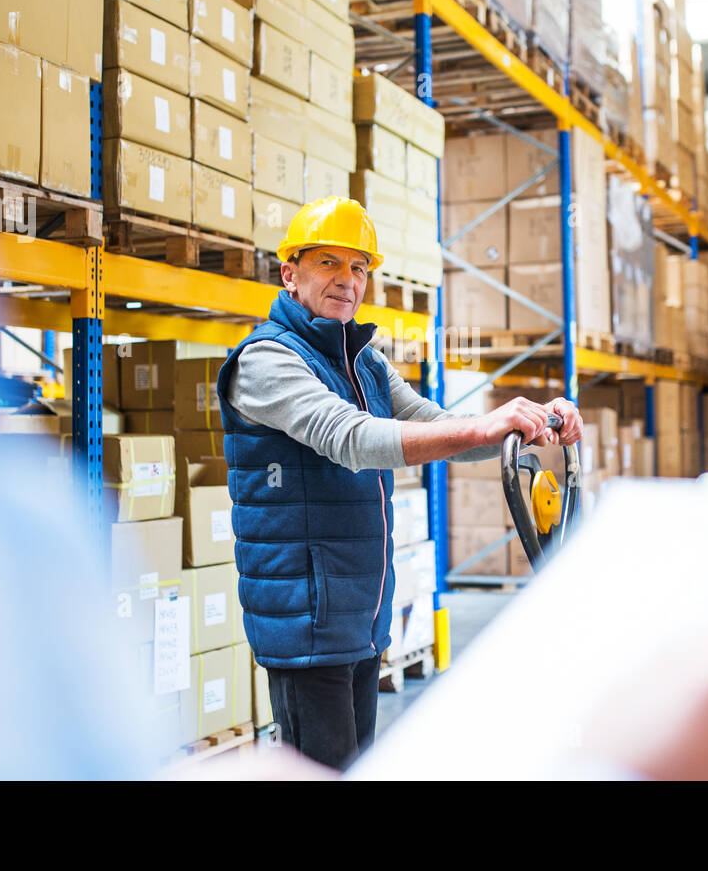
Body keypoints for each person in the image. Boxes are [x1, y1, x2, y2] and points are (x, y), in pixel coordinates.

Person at [216, 197, 584, 770]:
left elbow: (439, 429)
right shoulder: (266, 360)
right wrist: (488, 422)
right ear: (290, 273)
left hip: (358, 615)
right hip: (304, 621)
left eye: (358, 267)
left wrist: (530, 421)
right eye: (328, 263)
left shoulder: (365, 363)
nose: (347, 281)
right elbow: (353, 439)